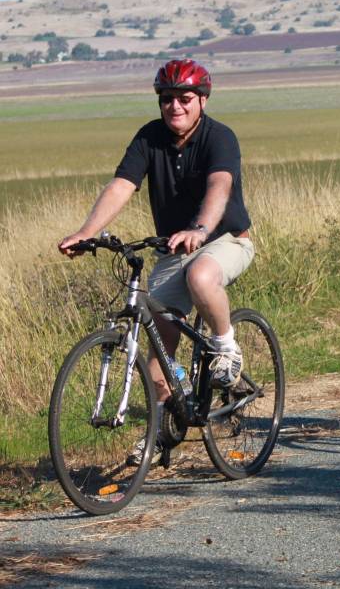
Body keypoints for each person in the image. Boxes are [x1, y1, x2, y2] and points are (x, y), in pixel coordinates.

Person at [58, 58, 255, 460]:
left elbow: (220, 186)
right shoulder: (149, 138)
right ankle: (162, 429)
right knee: (157, 362)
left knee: (202, 276)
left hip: (226, 240)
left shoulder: (220, 137)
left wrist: (200, 229)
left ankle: (226, 346)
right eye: (167, 99)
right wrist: (87, 231)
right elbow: (122, 185)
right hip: (173, 248)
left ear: (202, 100)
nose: (175, 107)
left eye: (185, 98)